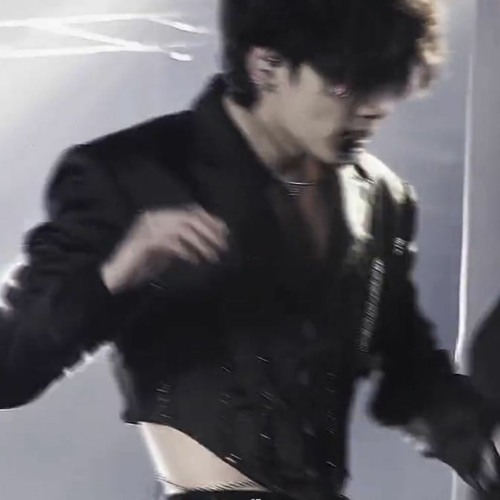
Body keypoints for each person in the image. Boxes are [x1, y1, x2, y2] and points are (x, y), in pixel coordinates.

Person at [0, 1, 499, 499]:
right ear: (266, 66)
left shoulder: (383, 197)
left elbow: (409, 368)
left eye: (385, 87)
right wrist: (118, 272)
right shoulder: (130, 172)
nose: (373, 109)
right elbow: (11, 366)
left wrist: (482, 448)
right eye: (346, 86)